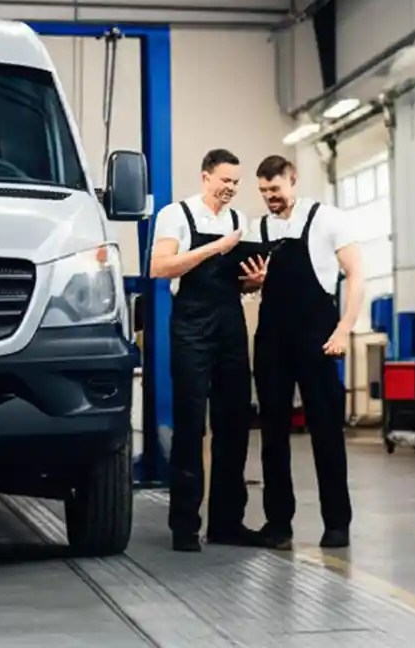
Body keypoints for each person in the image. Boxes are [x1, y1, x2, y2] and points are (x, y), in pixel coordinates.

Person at [242, 155, 365, 550]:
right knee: (273, 433)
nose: (269, 198)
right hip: (272, 339)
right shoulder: (256, 227)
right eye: (263, 191)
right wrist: (250, 283)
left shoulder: (328, 218)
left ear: (293, 181)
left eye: (275, 190)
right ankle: (278, 523)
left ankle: (337, 523)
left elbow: (358, 274)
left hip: (318, 336)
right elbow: (246, 285)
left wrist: (344, 328)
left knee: (326, 430)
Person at [150, 148, 262, 552]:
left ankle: (228, 524)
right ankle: (184, 526)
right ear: (205, 177)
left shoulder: (238, 221)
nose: (231, 189)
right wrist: (216, 248)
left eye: (236, 182)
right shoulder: (175, 215)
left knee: (234, 423)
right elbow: (160, 267)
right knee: (191, 423)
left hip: (230, 323)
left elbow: (241, 283)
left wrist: (256, 279)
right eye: (224, 181)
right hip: (191, 326)